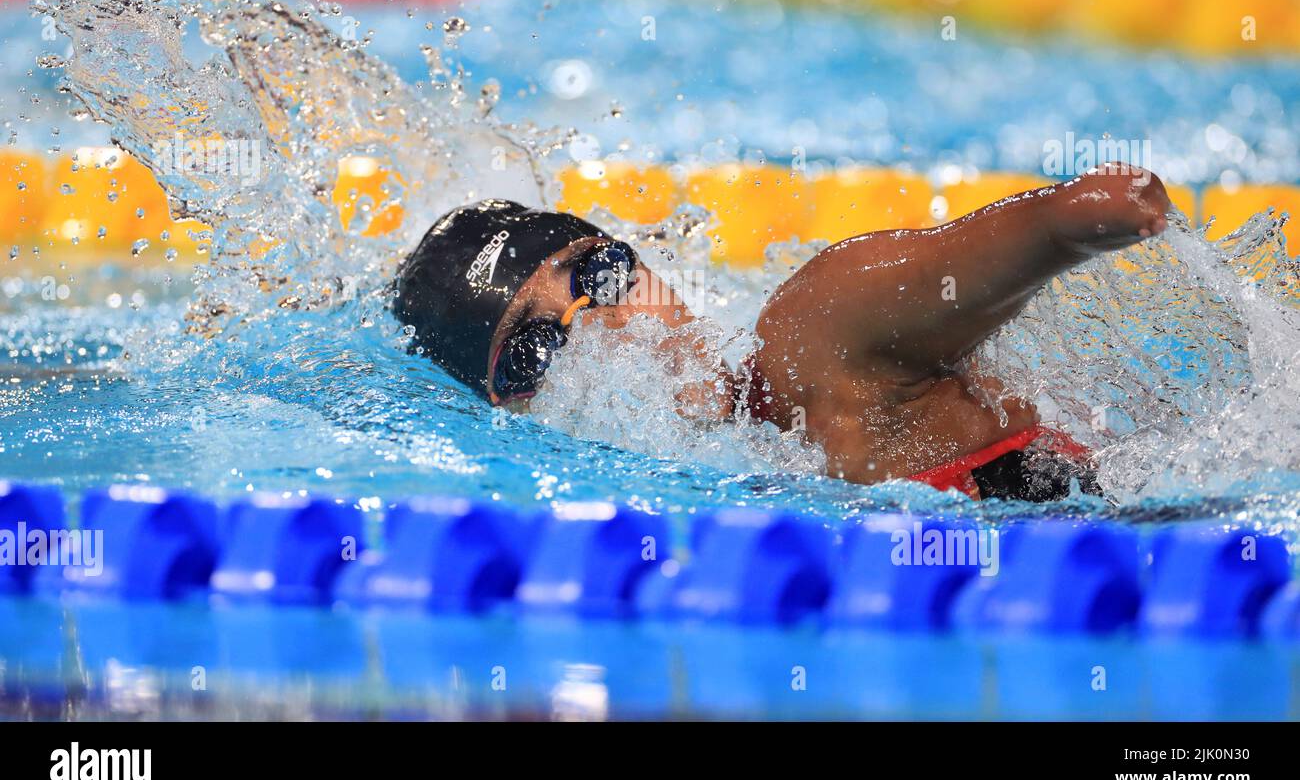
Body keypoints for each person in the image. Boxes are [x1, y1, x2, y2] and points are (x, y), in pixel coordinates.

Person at [393, 162, 1171, 501]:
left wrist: (1092, 216)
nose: (602, 325)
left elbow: (1079, 212)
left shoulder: (818, 333)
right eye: (537, 347)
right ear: (508, 416)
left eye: (598, 276)